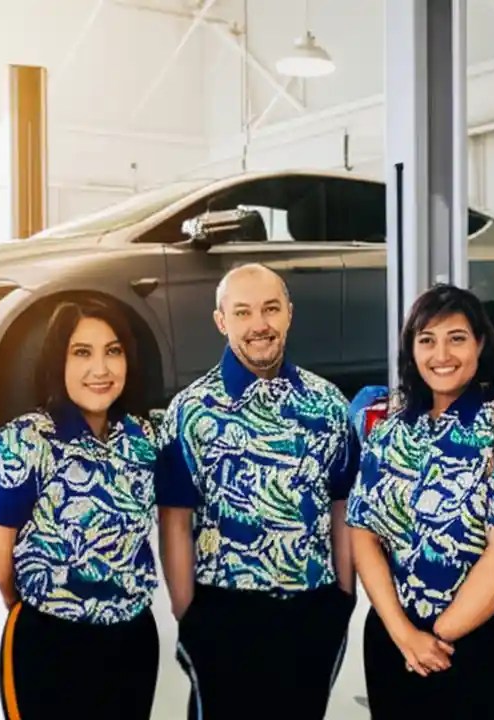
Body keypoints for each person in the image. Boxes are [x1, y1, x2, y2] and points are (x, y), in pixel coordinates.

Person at [156, 263, 359, 720]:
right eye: (243, 313)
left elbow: (342, 503)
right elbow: (175, 520)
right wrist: (190, 615)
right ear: (221, 321)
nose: (259, 325)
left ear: (289, 313)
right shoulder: (190, 410)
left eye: (270, 309)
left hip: (312, 609)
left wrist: (343, 597)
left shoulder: (327, 405)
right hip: (223, 611)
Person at [349, 285, 494, 719]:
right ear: (411, 350)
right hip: (392, 634)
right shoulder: (389, 431)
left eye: (456, 337)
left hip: (480, 640)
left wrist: (435, 637)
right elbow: (363, 534)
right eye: (427, 340)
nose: (441, 353)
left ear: (480, 343)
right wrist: (404, 634)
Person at [0, 300, 161, 719]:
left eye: (112, 351)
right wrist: (24, 604)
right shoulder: (27, 439)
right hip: (48, 640)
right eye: (82, 352)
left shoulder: (144, 439)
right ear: (56, 360)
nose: (101, 369)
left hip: (131, 641)